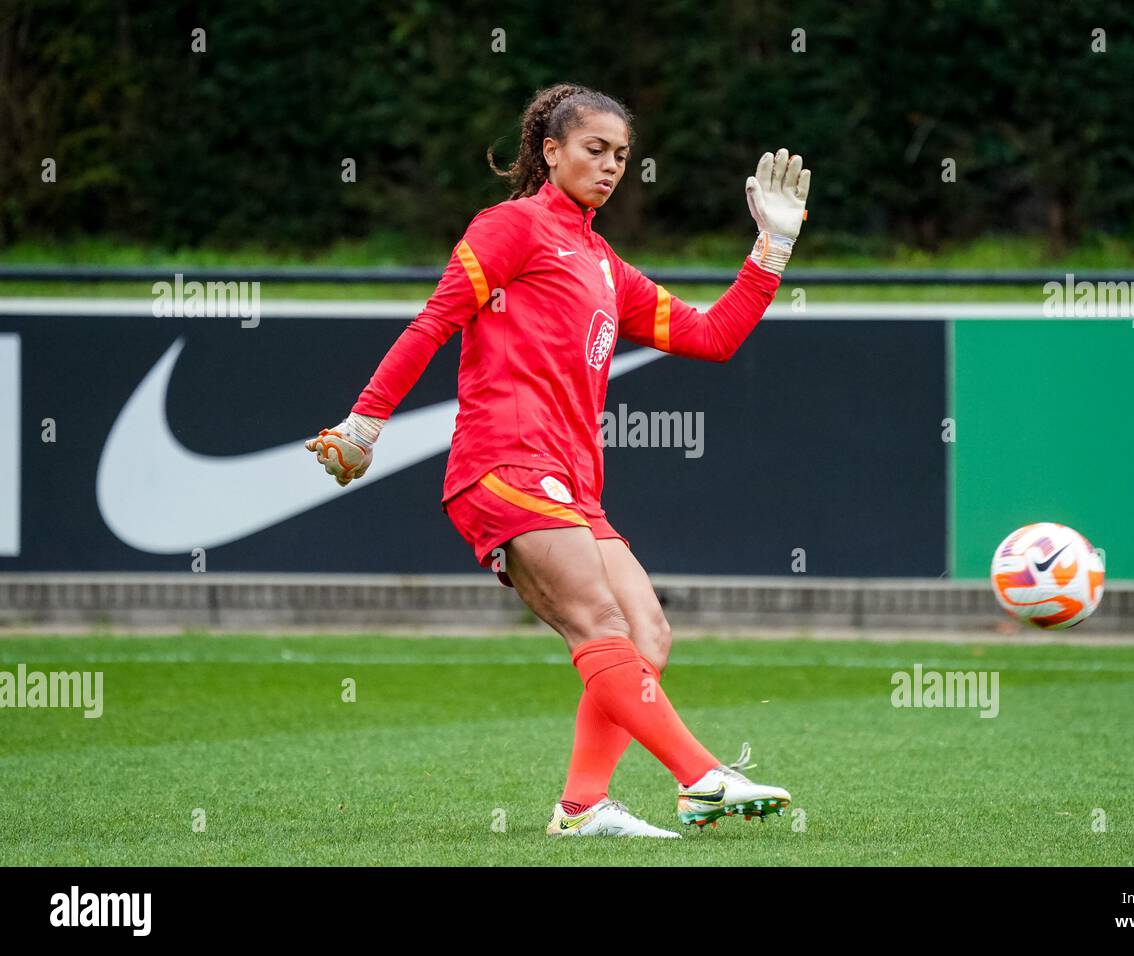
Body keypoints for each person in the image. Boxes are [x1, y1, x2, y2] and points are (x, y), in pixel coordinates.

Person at [306, 83, 811, 837]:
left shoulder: (601, 260)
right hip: (502, 464)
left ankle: (581, 807)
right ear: (550, 151)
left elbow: (712, 337)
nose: (610, 167)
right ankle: (702, 778)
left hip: (573, 487)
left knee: (647, 636)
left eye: (621, 157)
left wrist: (771, 250)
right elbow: (436, 318)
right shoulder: (511, 227)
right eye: (594, 150)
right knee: (599, 620)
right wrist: (365, 421)